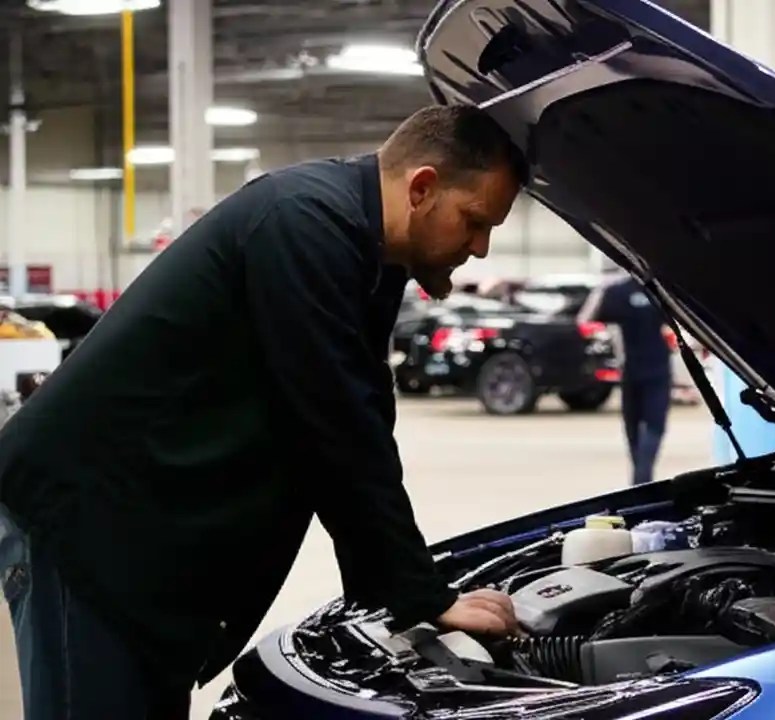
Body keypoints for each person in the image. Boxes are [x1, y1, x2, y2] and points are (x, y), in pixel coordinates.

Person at [0, 105, 526, 718]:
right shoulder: (304, 223)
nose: (480, 248)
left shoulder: (366, 251)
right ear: (422, 188)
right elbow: (335, 427)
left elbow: (360, 420)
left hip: (142, 534)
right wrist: (419, 594)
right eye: (474, 221)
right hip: (86, 524)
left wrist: (387, 584)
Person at [579, 272, 673, 486]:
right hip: (658, 367)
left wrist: (601, 289)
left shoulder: (618, 292)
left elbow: (585, 320)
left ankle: (640, 475)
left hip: (631, 368)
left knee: (632, 424)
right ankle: (643, 475)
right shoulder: (658, 291)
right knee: (654, 424)